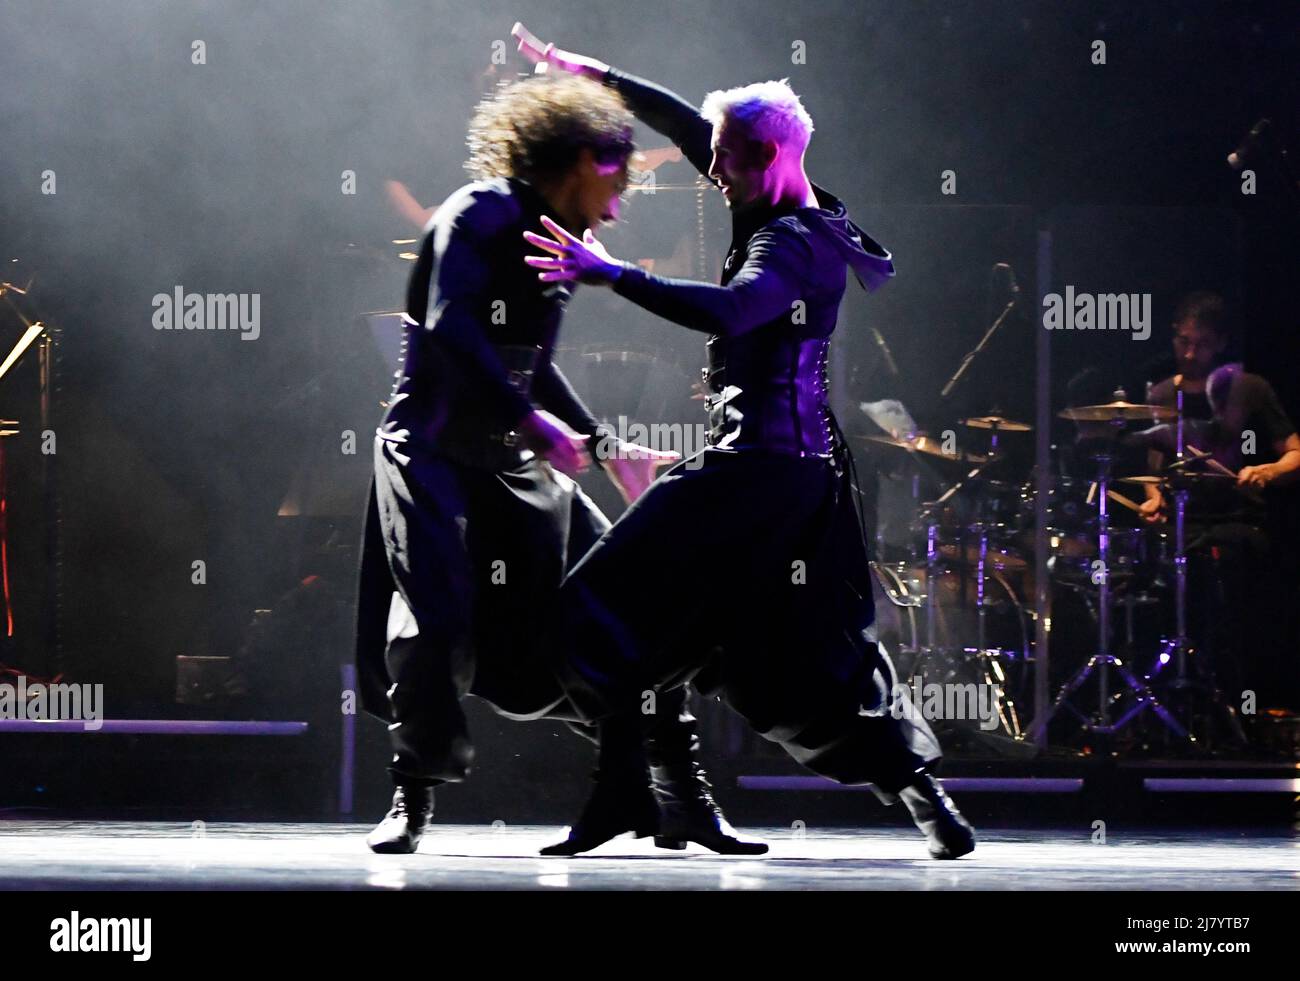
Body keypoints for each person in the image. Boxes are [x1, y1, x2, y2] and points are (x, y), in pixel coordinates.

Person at [514, 26, 975, 858]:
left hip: (758, 472)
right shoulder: (794, 202)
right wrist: (597, 74)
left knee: (599, 604)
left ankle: (628, 790)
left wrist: (608, 273)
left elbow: (732, 310)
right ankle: (919, 798)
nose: (712, 169)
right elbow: (692, 124)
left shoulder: (789, 244)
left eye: (728, 158)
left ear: (768, 156)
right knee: (785, 658)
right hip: (800, 479)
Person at [353, 72, 762, 855]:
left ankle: (677, 797)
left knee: (623, 600)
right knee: (438, 618)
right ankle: (413, 796)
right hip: (432, 451)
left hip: (507, 457)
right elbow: (452, 327)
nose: (617, 202)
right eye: (615, 177)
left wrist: (600, 444)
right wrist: (532, 423)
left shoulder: (561, 239)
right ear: (579, 158)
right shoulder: (478, 213)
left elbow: (531, 363)